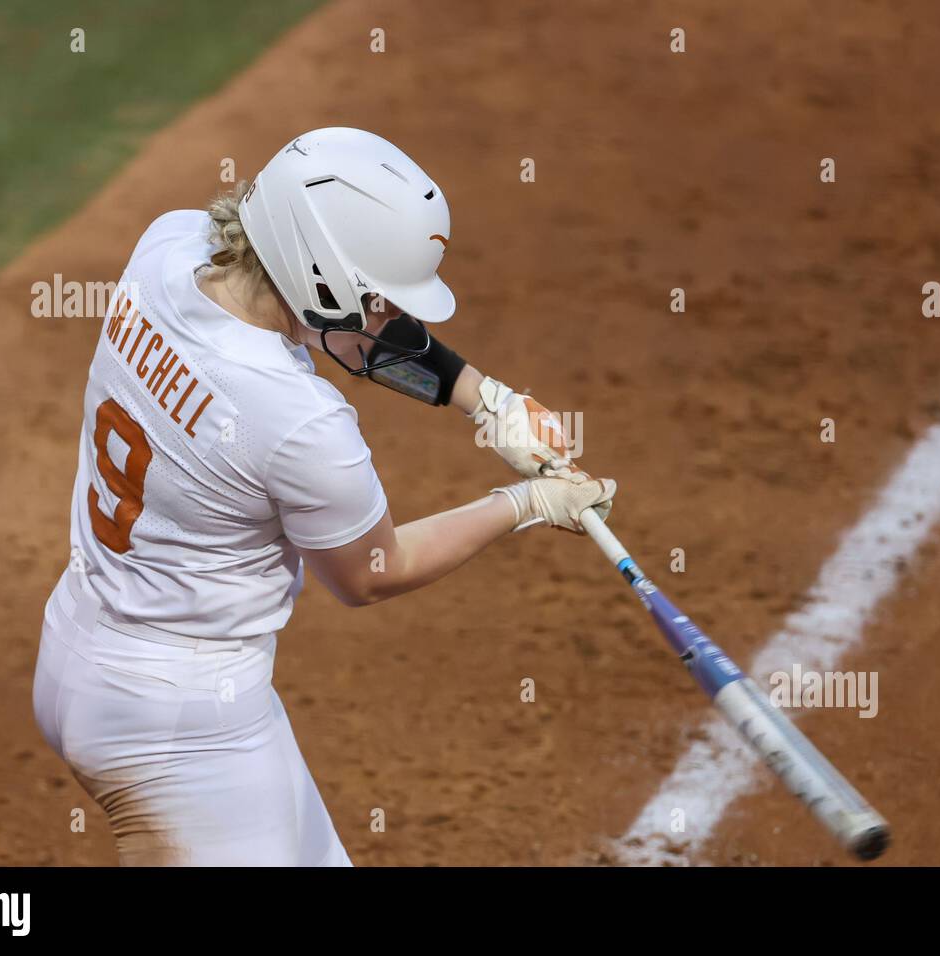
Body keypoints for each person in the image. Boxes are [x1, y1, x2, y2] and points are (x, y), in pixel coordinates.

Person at [31, 127, 617, 865]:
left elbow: (347, 336)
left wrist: (488, 401)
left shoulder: (166, 247)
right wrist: (526, 503)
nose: (385, 319)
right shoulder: (298, 421)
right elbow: (371, 573)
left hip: (84, 642)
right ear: (318, 272)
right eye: (375, 299)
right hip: (184, 729)